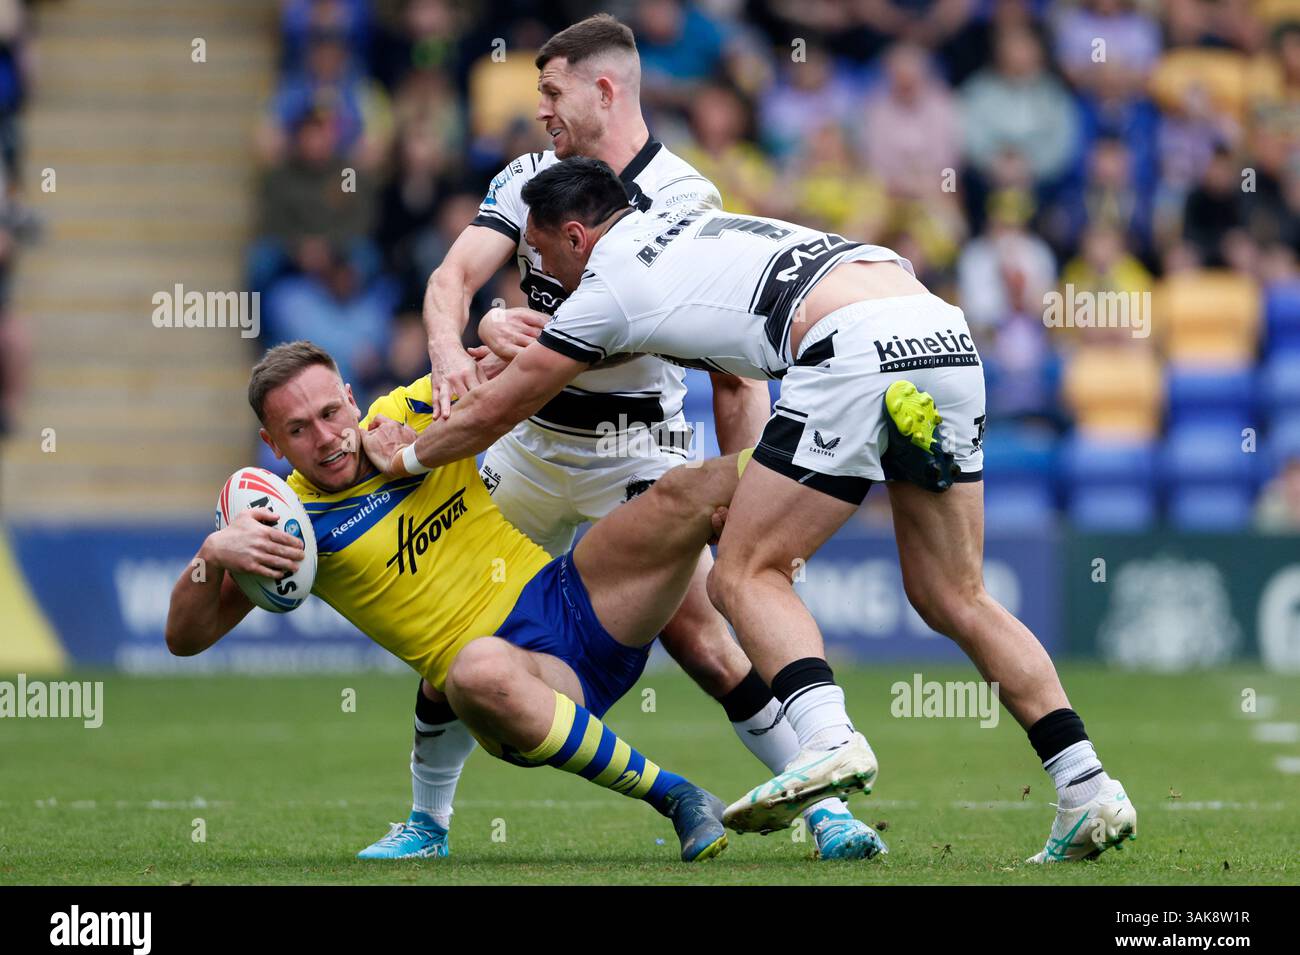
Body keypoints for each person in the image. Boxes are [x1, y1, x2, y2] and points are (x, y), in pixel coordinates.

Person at [367, 157, 1139, 864]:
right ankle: (1086, 785)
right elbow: (728, 358)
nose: (537, 273)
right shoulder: (689, 217)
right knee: (953, 593)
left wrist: (402, 458)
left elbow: (499, 407)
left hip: (850, 348)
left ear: (576, 236)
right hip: (937, 327)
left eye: (539, 256)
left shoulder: (610, 284)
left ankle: (831, 740)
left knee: (743, 571)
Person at [401, 13, 881, 861]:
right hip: (526, 444)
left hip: (636, 447)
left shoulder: (684, 201)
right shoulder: (524, 176)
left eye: (552, 91)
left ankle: (824, 806)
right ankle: (425, 823)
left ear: (605, 89)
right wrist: (457, 341)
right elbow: (451, 277)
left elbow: (729, 368)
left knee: (699, 633)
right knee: (453, 623)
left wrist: (740, 488)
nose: (541, 108)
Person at [163, 340, 746, 863]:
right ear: (271, 442)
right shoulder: (292, 529)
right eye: (297, 430)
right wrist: (211, 555)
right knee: (468, 668)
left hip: (580, 603)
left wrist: (496, 327)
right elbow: (184, 640)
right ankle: (679, 797)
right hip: (524, 684)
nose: (326, 438)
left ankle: (821, 458)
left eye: (331, 413)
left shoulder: (409, 410)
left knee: (686, 493)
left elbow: (529, 357)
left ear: (350, 396)